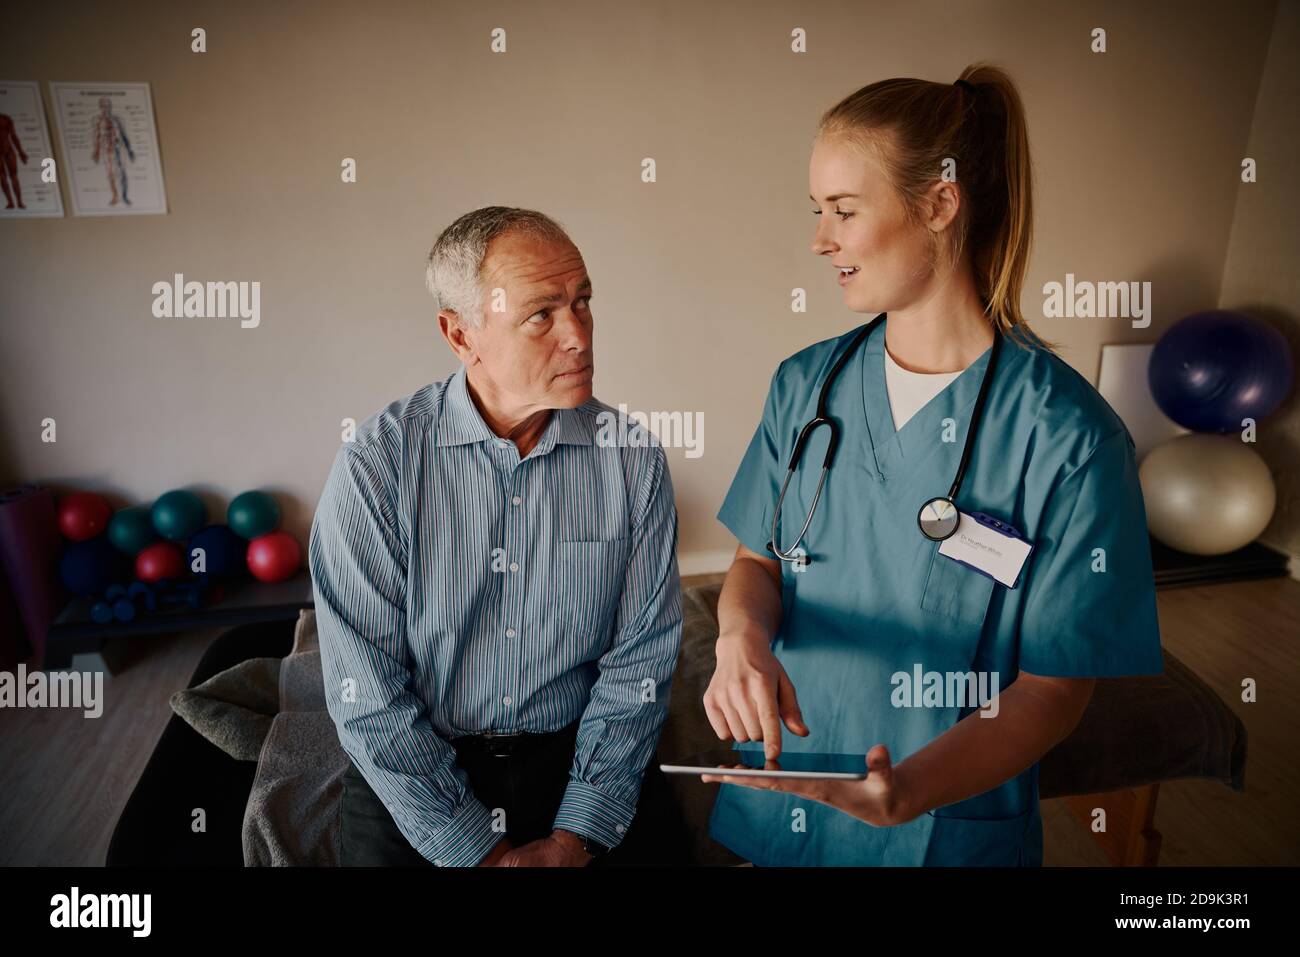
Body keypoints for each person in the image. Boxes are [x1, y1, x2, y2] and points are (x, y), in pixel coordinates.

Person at [700, 65, 1164, 866]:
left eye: (844, 211)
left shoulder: (1071, 438)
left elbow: (1052, 692)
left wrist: (908, 790)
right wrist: (738, 636)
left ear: (941, 203)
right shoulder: (805, 384)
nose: (820, 239)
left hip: (943, 827)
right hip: (789, 796)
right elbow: (755, 560)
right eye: (819, 212)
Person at [309, 206, 686, 867]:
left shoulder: (631, 459)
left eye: (583, 302)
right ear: (461, 335)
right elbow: (364, 693)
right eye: (541, 314)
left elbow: (641, 664)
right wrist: (473, 851)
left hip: (579, 758)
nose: (578, 335)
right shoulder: (377, 465)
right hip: (423, 766)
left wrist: (577, 832)